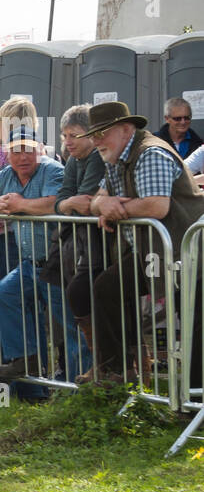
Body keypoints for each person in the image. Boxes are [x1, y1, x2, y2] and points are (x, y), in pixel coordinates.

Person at [85, 102, 204, 380]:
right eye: (93, 134)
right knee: (106, 289)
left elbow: (156, 206)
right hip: (155, 252)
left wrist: (115, 209)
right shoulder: (115, 156)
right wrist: (104, 205)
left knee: (195, 322)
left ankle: (194, 403)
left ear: (126, 129)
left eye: (103, 132)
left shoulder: (150, 153)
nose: (96, 140)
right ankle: (115, 374)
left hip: (188, 250)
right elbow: (96, 200)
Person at [0, 126, 86, 390]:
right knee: (3, 293)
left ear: (40, 150)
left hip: (58, 264)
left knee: (70, 327)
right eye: (16, 150)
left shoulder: (53, 170)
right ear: (7, 154)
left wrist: (20, 206)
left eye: (29, 149)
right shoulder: (5, 174)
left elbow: (56, 202)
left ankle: (77, 390)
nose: (23, 157)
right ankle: (25, 358)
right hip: (30, 264)